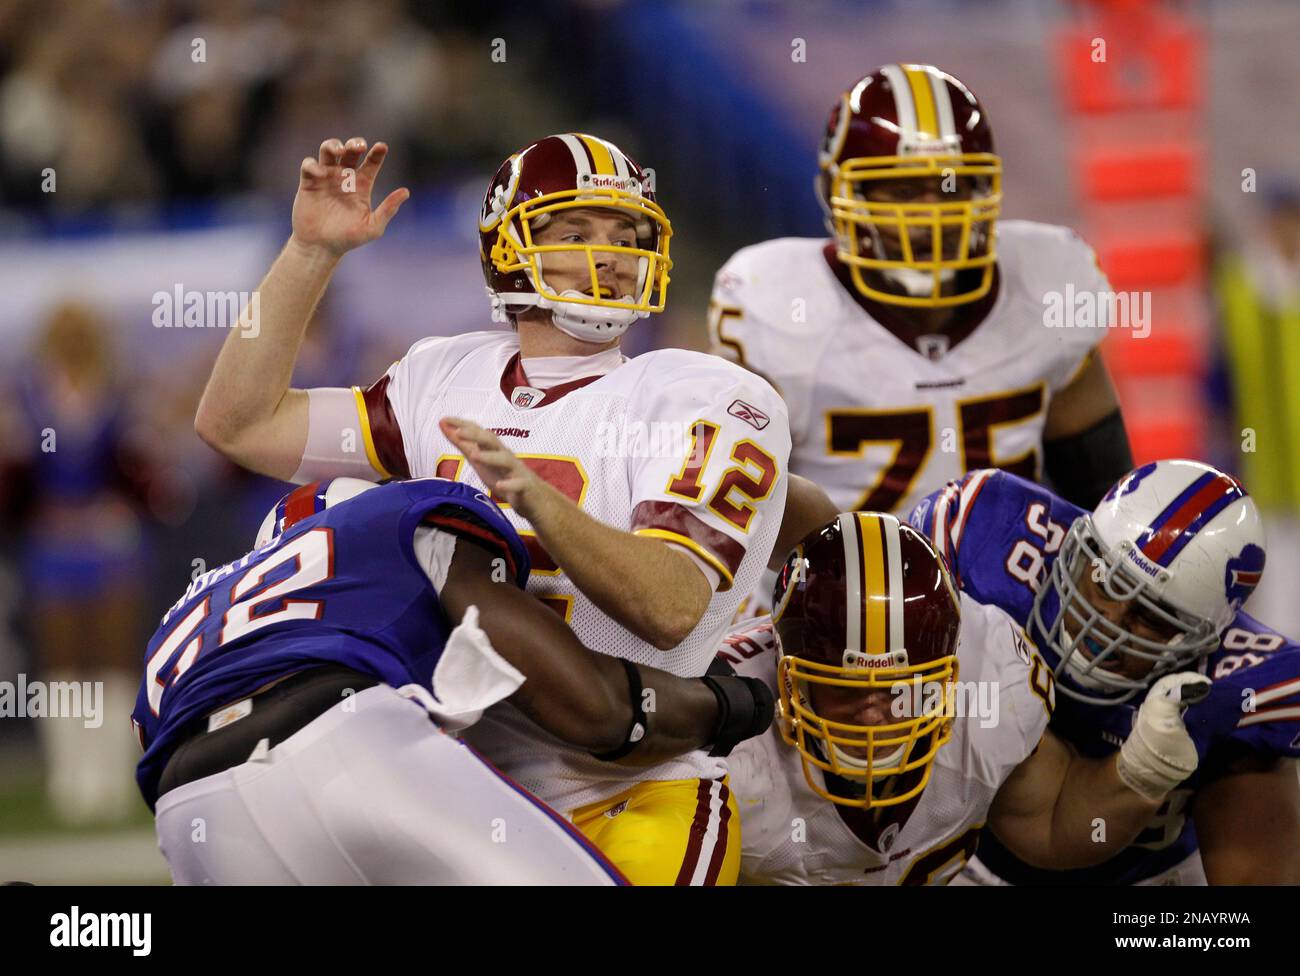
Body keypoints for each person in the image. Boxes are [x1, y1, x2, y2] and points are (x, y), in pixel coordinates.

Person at [193, 133, 791, 883]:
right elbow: (238, 424)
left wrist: (535, 500)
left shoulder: (701, 396)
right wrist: (310, 254)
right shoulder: (442, 374)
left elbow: (670, 605)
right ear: (508, 249)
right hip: (454, 796)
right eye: (575, 232)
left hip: (626, 791)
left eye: (626, 235)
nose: (609, 256)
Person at [133, 476, 773, 885]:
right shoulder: (394, 514)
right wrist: (731, 703)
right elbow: (598, 711)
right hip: (344, 744)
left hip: (191, 815)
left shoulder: (177, 619)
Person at [709, 64, 1131, 530]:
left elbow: (1107, 507)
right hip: (835, 595)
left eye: (953, 187)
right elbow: (729, 515)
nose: (933, 215)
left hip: (1012, 598)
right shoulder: (775, 300)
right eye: (904, 190)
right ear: (836, 194)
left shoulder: (1044, 283)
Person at [717, 512, 1208, 885]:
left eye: (899, 688)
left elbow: (1050, 822)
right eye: (844, 688)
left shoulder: (993, 685)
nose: (873, 712)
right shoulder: (720, 746)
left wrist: (1142, 768)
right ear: (787, 677)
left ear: (951, 672)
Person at [911, 460, 1300, 883]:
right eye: (1104, 578)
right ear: (1079, 545)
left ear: (1205, 638)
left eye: (1153, 616)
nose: (1109, 620)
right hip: (965, 858)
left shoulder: (1242, 685)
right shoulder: (987, 538)